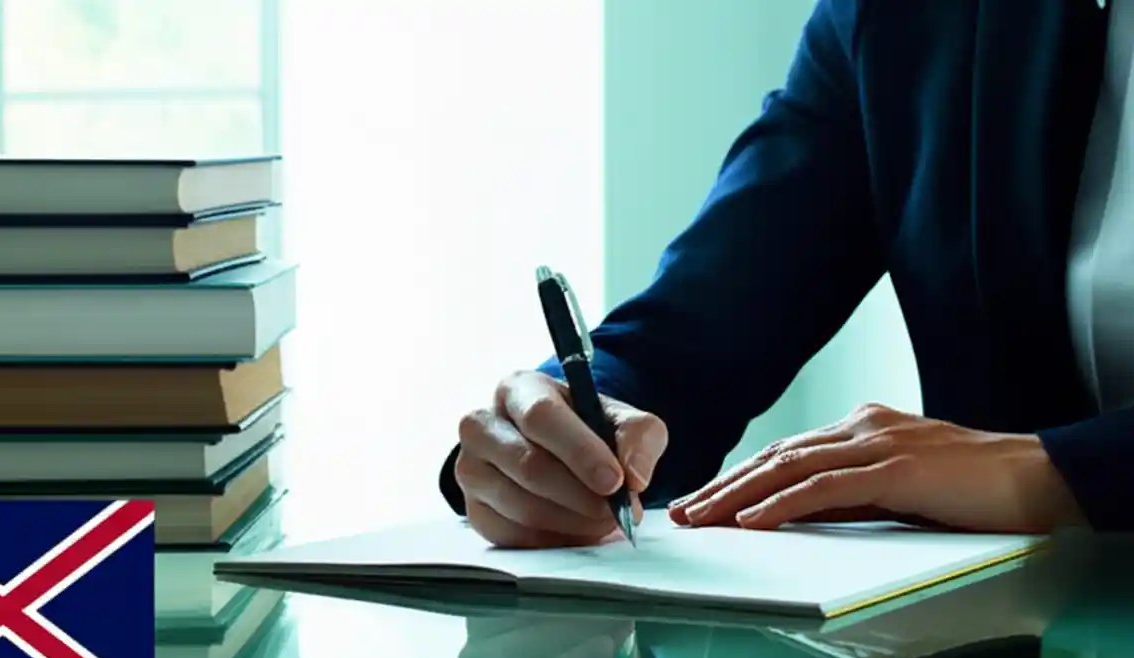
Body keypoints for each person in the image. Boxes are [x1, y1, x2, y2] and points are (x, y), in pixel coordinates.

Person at [439, 0, 1134, 548]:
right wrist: (560, 428)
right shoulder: (905, 15)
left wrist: (1059, 472)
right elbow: (694, 338)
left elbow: (1048, 470)